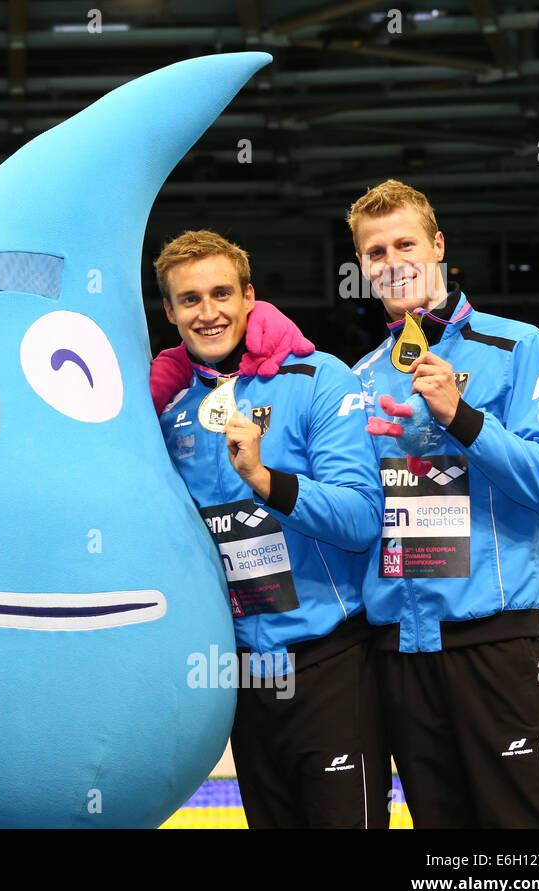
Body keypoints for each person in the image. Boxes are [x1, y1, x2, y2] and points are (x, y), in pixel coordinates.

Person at [349, 179, 539, 828]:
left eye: (405, 244)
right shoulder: (362, 378)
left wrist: (463, 417)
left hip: (494, 643)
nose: (392, 263)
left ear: (438, 246)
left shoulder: (518, 346)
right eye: (374, 253)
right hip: (399, 653)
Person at [153, 230, 387, 828]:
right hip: (244, 678)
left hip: (330, 665)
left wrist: (263, 477)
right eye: (189, 300)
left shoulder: (319, 378)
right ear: (170, 311)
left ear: (250, 295)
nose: (208, 313)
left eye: (221, 293)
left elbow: (362, 519)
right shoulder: (169, 410)